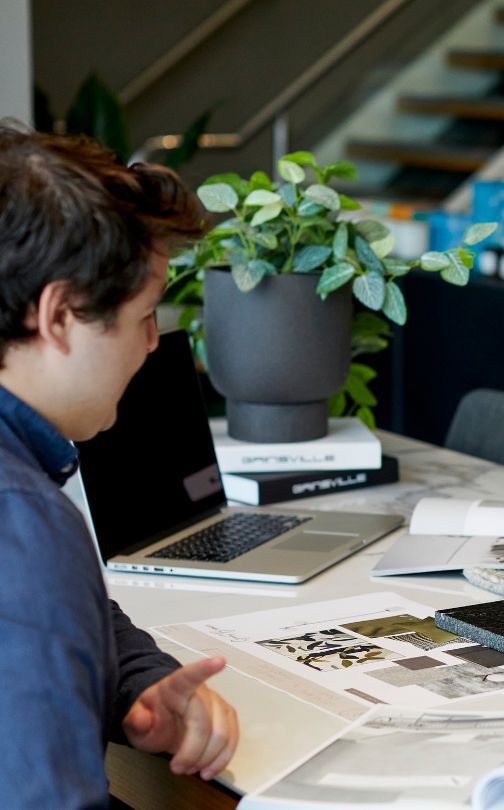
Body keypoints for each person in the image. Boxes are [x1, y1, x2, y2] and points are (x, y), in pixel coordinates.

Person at [0, 123, 239, 807]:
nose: (153, 343)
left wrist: (137, 682)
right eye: (144, 313)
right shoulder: (23, 520)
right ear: (60, 315)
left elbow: (70, 615)